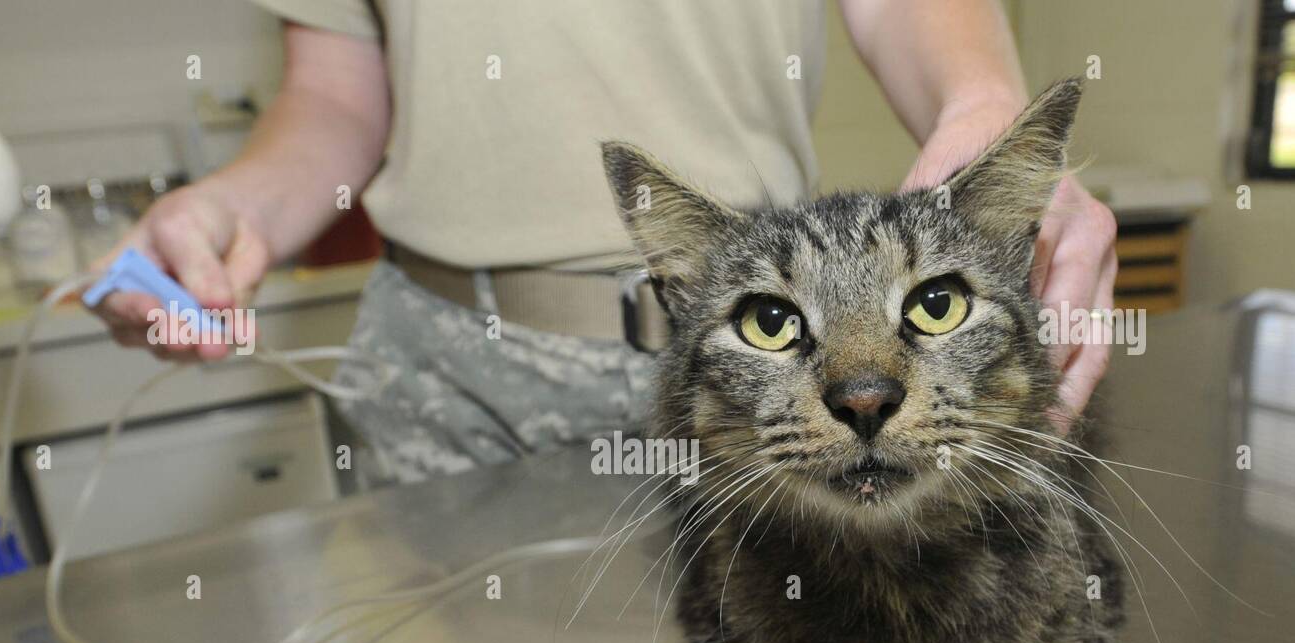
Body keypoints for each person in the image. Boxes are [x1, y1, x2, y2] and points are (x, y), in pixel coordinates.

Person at [92, 0, 1115, 485]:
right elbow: (331, 93)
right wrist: (233, 208)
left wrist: (987, 107)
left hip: (752, 373)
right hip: (436, 369)